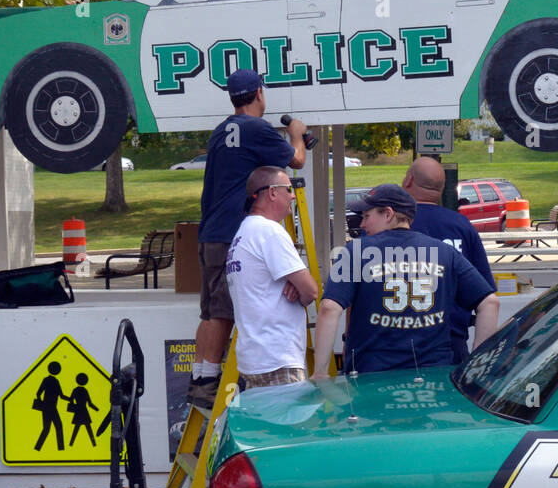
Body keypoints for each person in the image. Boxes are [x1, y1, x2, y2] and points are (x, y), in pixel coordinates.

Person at [188, 69, 307, 407]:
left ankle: (200, 376)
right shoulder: (257, 128)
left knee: (211, 311)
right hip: (231, 232)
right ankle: (208, 384)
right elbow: (295, 160)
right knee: (223, 312)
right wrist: (295, 134)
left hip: (210, 231)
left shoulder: (220, 131)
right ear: (258, 93)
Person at [312, 184, 498, 377]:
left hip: (371, 376)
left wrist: (320, 372)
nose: (362, 224)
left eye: (367, 216)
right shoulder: (444, 252)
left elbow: (329, 308)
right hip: (434, 377)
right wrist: (477, 363)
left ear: (388, 214)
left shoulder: (356, 251)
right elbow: (490, 302)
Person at [225, 166, 320, 388]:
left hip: (255, 359)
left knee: (265, 424)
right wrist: (299, 287)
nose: (293, 195)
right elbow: (311, 291)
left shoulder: (244, 232)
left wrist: (294, 284)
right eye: (288, 189)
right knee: (289, 424)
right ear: (272, 192)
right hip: (278, 359)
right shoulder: (269, 231)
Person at [402, 155, 493, 364]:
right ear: (442, 189)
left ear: (408, 181)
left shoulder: (391, 225)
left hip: (395, 344)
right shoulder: (462, 226)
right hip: (451, 342)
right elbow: (487, 296)